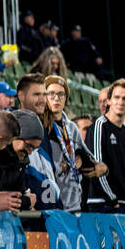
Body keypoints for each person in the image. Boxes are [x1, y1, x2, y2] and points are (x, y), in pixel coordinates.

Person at [40, 74, 105, 213]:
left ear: (66, 98)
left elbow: (89, 158)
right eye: (51, 94)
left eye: (61, 94)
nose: (56, 98)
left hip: (74, 202)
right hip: (50, 201)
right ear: (44, 96)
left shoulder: (72, 128)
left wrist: (97, 166)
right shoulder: (41, 125)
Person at [84, 78, 125, 212]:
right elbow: (96, 167)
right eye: (117, 97)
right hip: (104, 204)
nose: (120, 102)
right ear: (109, 100)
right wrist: (112, 199)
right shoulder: (99, 125)